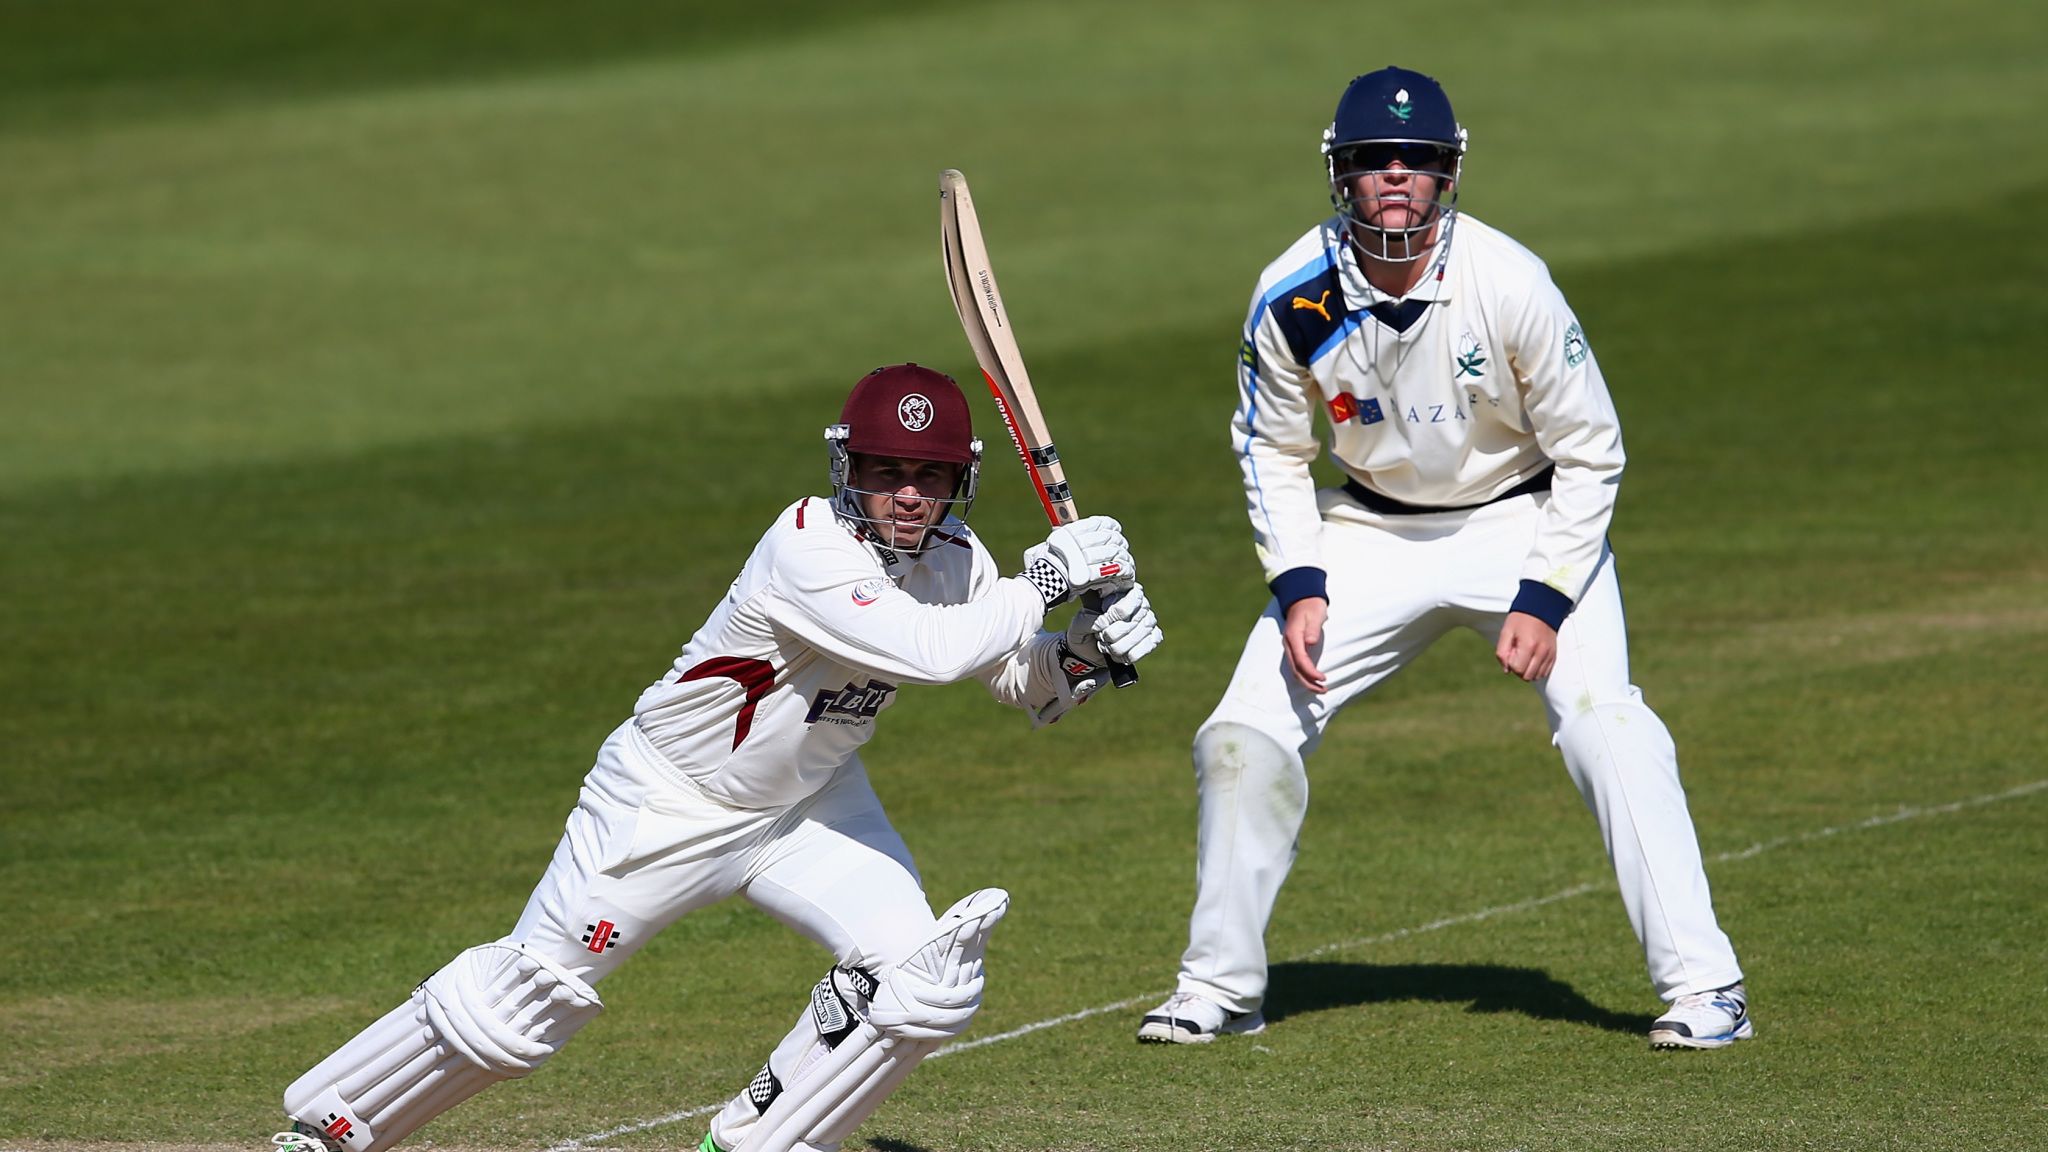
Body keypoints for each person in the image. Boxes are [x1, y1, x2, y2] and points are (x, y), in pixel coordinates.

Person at [273, 363, 1163, 1152]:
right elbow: (922, 653)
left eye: (929, 476)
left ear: (957, 481)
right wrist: (1046, 581)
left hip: (810, 805)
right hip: (668, 801)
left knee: (920, 984)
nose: (907, 494)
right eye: (885, 471)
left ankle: (745, 1141)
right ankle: (327, 1130)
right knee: (519, 1010)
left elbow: (1008, 670)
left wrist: (1083, 649)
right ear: (846, 469)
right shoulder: (807, 543)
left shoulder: (957, 558)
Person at [1135, 67, 1750, 1051]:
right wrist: (1296, 582)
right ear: (1338, 174)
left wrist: (1544, 597)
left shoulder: (1505, 283)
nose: (1393, 176)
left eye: (1414, 160)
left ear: (1445, 171)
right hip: (1367, 533)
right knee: (1240, 736)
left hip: (1522, 521)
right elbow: (1271, 449)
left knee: (1605, 728)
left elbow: (1592, 451)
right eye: (1372, 160)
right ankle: (1219, 988)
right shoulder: (1293, 296)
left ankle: (1704, 988)